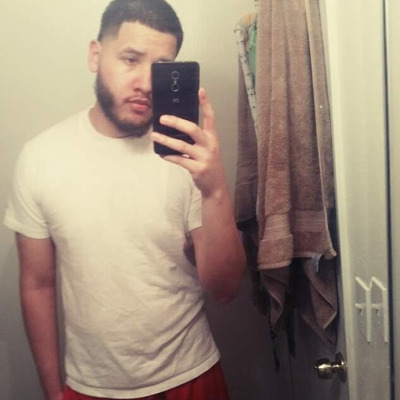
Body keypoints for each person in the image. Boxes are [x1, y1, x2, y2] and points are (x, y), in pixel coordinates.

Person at [3, 0, 246, 399]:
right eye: (131, 59)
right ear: (95, 55)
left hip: (190, 376)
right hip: (90, 386)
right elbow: (37, 284)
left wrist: (215, 188)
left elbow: (225, 288)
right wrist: (52, 392)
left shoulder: (187, 157)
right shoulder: (40, 158)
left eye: (160, 66)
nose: (146, 83)